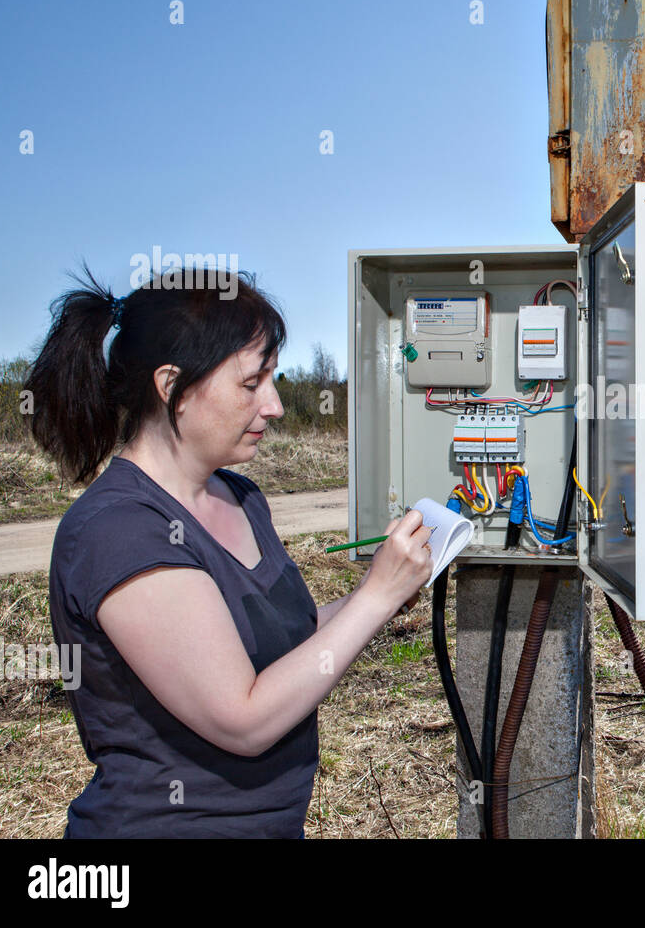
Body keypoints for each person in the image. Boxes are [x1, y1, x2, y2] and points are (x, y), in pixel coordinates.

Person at [24, 265, 432, 838]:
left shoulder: (239, 495)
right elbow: (243, 718)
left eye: (273, 379)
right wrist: (375, 598)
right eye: (250, 384)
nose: (275, 406)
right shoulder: (119, 530)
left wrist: (380, 596)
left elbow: (277, 641)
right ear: (172, 387)